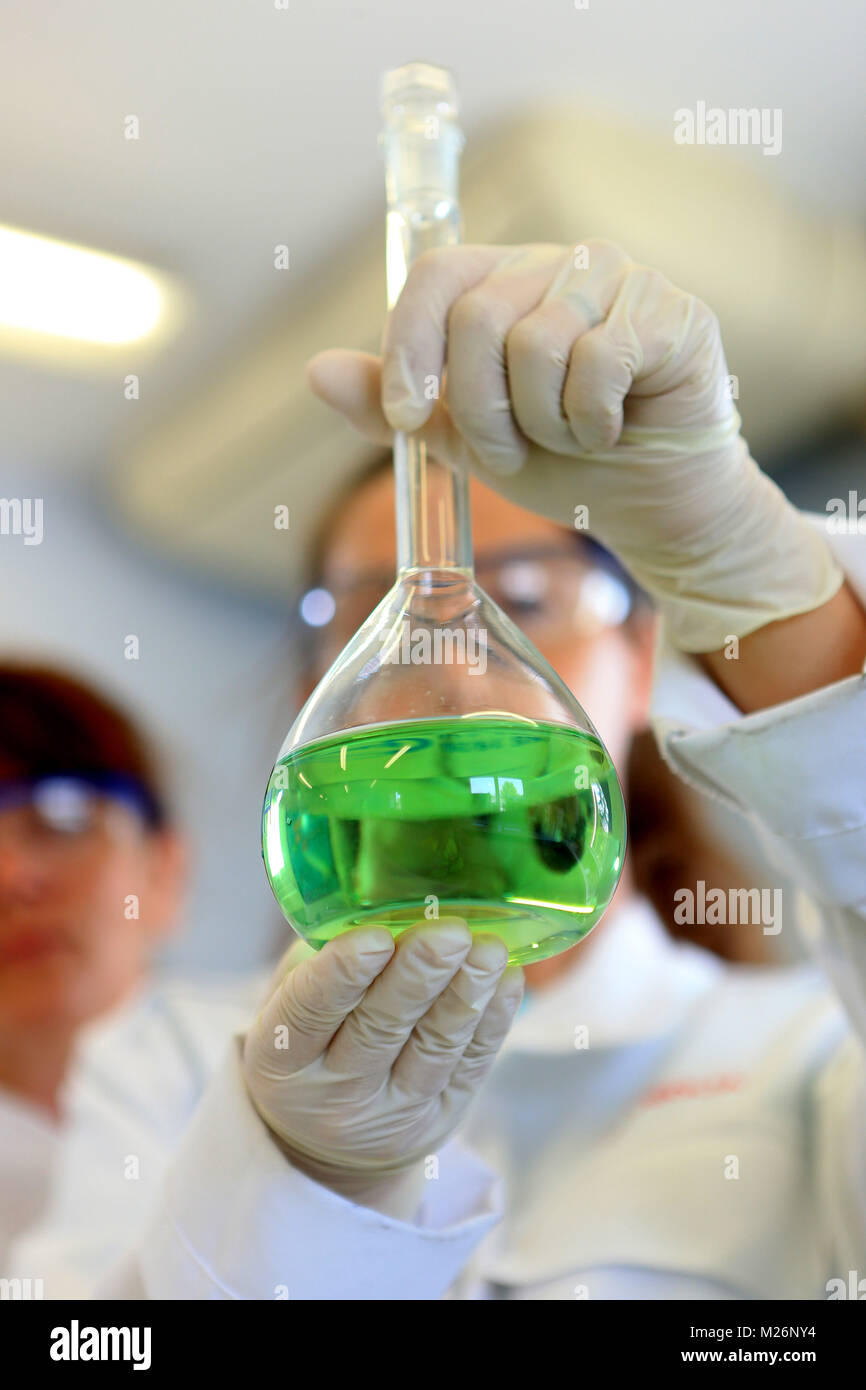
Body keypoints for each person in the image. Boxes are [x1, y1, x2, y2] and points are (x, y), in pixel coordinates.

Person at [2, 240, 864, 1299]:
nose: (443, 672)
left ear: (639, 661)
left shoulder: (800, 1045)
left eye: (525, 601)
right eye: (365, 619)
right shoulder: (171, 1058)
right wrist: (300, 1181)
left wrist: (783, 608)